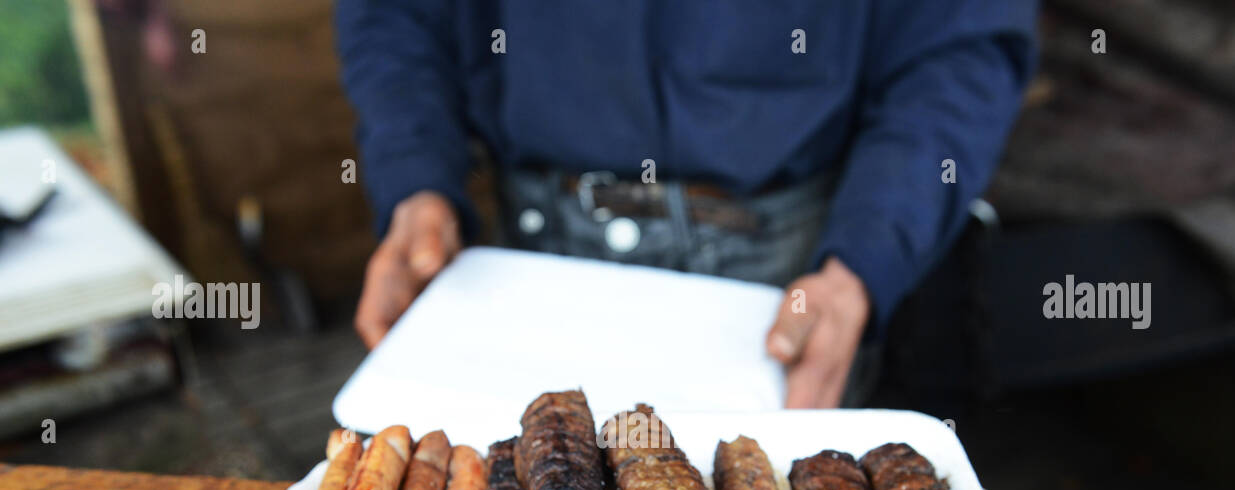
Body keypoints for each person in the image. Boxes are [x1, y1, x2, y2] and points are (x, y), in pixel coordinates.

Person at [335, 1, 1036, 407]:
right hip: (531, 259)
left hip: (786, 278)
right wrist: (416, 184)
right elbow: (395, 16)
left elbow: (959, 47)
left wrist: (866, 261)